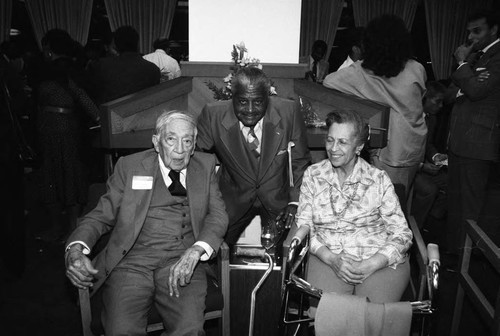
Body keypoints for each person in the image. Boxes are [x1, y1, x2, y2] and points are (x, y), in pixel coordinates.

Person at [64, 110, 228, 335]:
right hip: (131, 264)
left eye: (187, 140)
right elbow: (101, 215)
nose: (180, 149)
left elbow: (218, 215)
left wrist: (197, 250)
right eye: (171, 139)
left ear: (194, 144)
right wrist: (75, 248)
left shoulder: (205, 166)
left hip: (181, 262)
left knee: (188, 330)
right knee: (121, 330)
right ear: (157, 142)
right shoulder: (129, 166)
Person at [293, 109, 413, 307]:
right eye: (330, 140)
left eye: (342, 142)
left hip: (378, 259)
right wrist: (331, 258)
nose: (333, 148)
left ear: (359, 146)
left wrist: (372, 263)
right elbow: (304, 225)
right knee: (329, 315)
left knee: (373, 316)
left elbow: (402, 233)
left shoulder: (378, 179)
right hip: (328, 257)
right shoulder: (313, 175)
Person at [196, 66, 311, 245]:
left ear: (268, 99)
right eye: (242, 102)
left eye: (258, 102)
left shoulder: (289, 111)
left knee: (286, 255)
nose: (250, 110)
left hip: (278, 199)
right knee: (214, 253)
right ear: (232, 97)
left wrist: (295, 202)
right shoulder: (213, 115)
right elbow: (197, 160)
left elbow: (299, 161)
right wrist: (209, 200)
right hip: (232, 198)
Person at [323, 14, 427, 201]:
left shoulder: (362, 72)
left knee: (384, 205)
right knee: (403, 201)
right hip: (415, 145)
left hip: (390, 150)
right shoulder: (417, 68)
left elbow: (329, 82)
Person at [36, 29, 100, 242]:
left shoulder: (47, 70)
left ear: (49, 48)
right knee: (71, 174)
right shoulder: (77, 69)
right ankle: (73, 227)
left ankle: (58, 229)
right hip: (72, 128)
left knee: (52, 175)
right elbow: (85, 100)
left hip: (51, 128)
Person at [447, 9, 500, 254]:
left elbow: (478, 91)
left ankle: (464, 266)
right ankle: (451, 257)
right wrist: (465, 78)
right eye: (469, 31)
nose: (470, 36)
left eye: (476, 31)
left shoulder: (496, 56)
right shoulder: (477, 57)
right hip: (459, 142)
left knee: (469, 210)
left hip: (478, 144)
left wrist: (461, 64)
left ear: (494, 30)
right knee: (455, 205)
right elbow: (451, 94)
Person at [86, 25, 160, 105]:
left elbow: (91, 97)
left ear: (116, 45)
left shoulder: (100, 66)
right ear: (138, 44)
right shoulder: (153, 69)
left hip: (109, 115)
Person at [411, 81, 449, 228]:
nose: (440, 107)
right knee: (429, 190)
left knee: (451, 180)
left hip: (423, 166)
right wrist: (421, 166)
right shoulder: (410, 116)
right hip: (408, 166)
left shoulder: (432, 118)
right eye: (438, 102)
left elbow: (428, 144)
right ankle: (413, 229)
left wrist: (435, 157)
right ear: (424, 98)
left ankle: (430, 219)